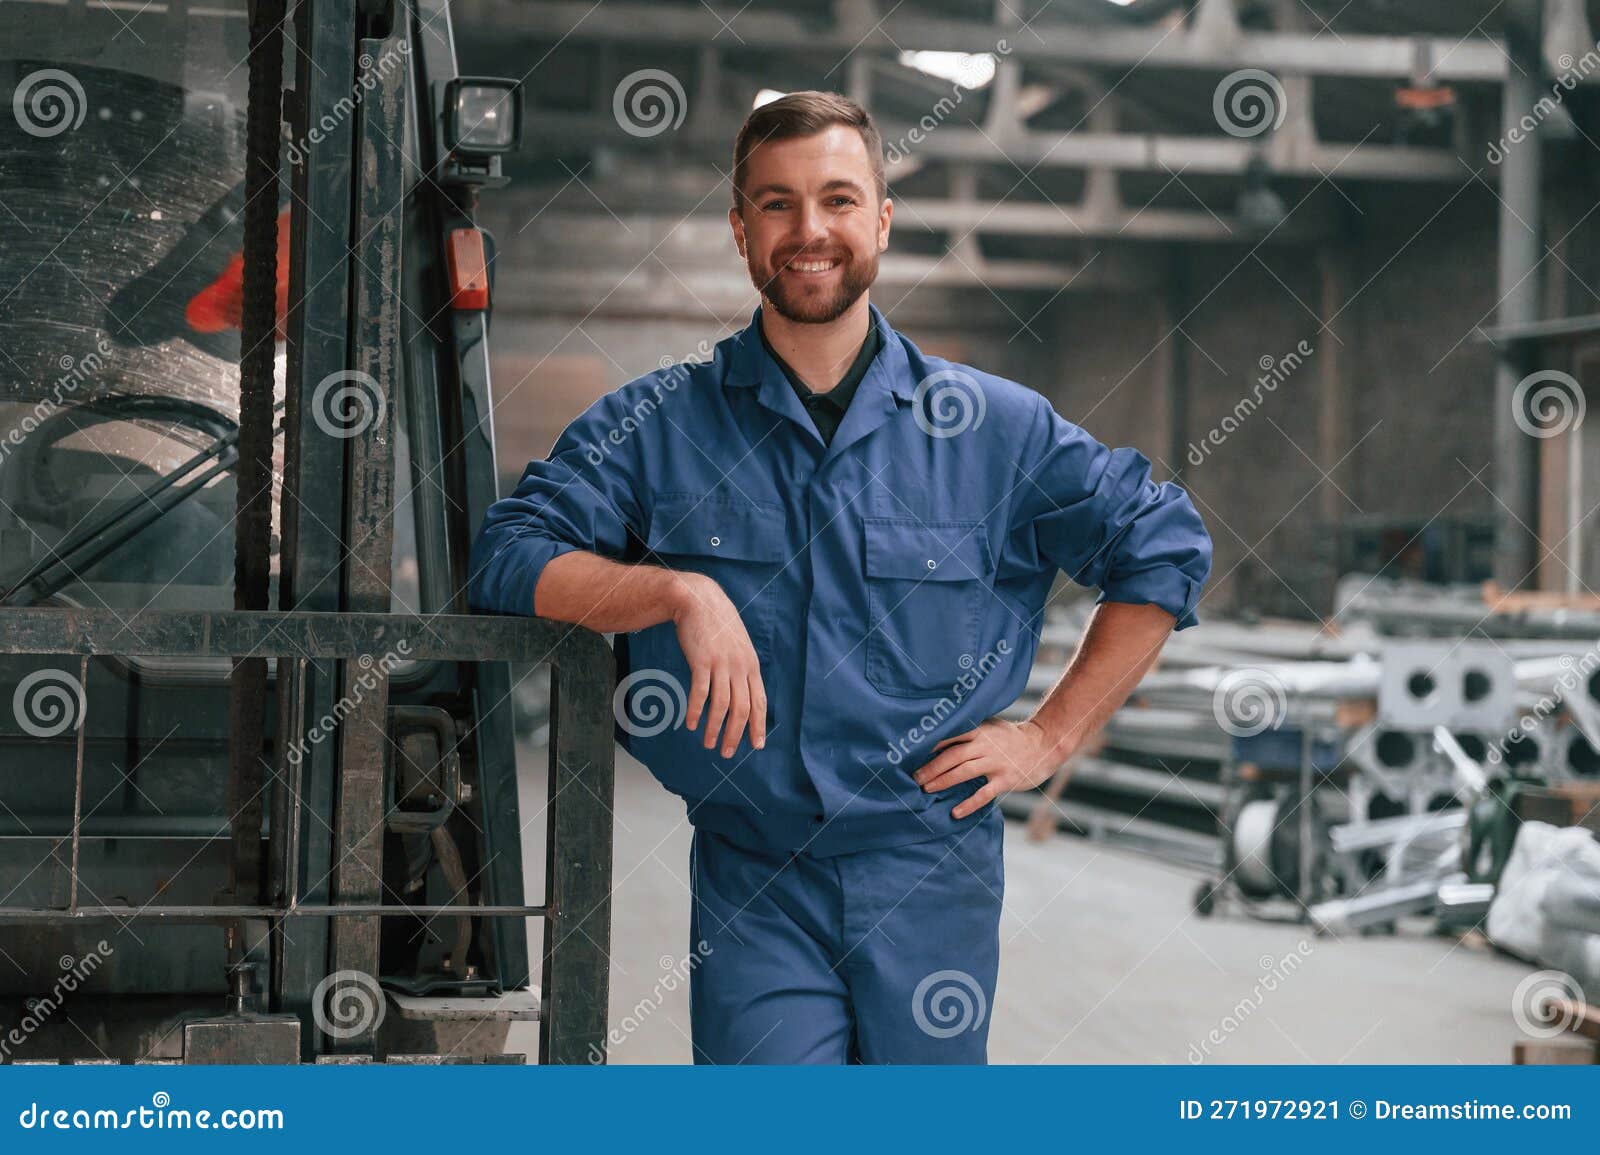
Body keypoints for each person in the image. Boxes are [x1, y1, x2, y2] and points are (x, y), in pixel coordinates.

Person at [468, 91, 1212, 1064]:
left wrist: (1050, 736)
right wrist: (674, 591)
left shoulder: (992, 430)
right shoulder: (658, 426)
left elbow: (1161, 545)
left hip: (928, 870)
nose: (808, 230)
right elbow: (508, 557)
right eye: (775, 204)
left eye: (838, 199)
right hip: (753, 878)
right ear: (740, 230)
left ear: (882, 220)